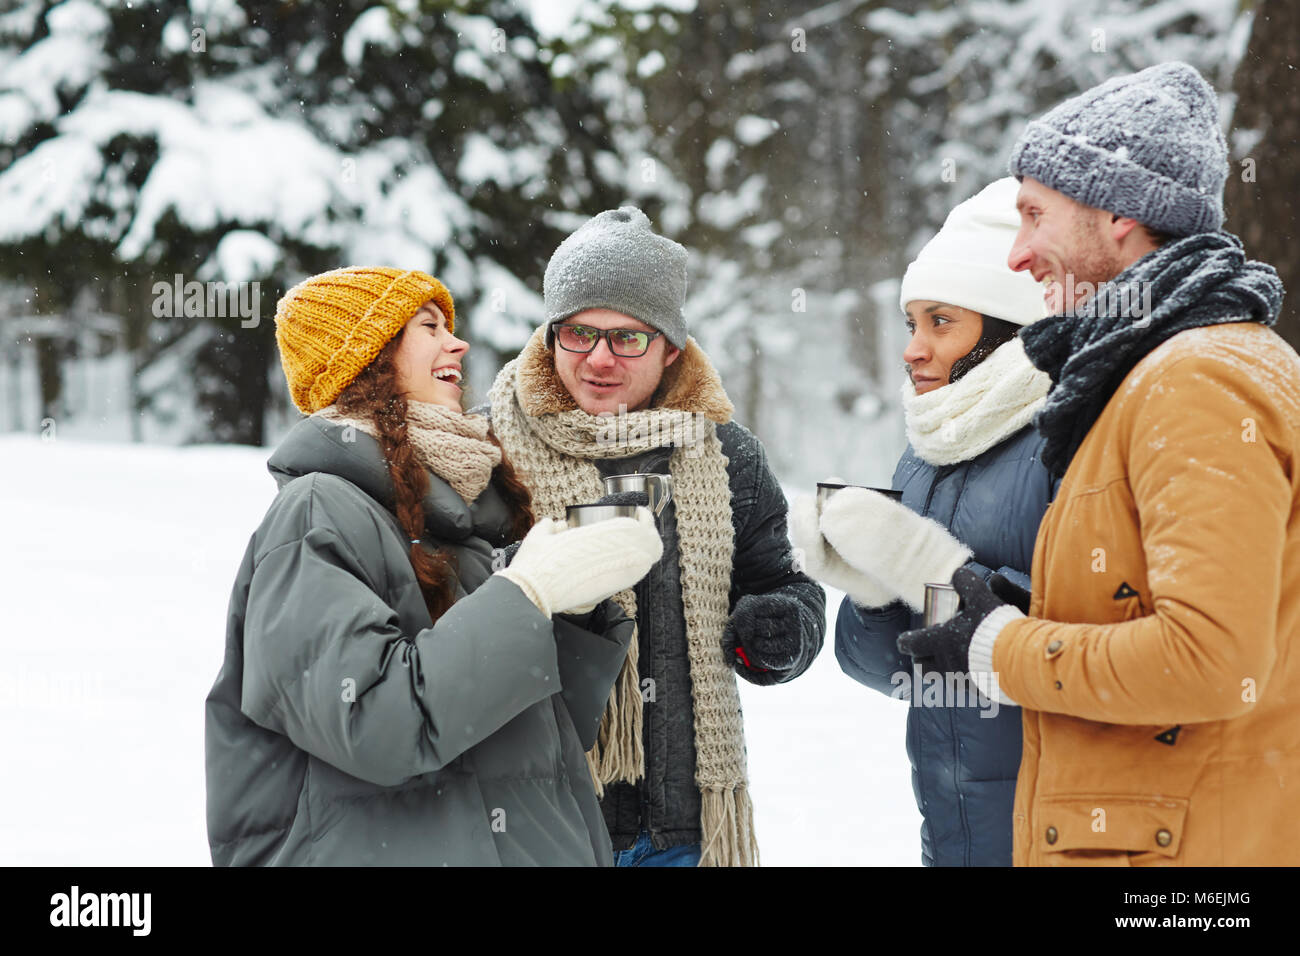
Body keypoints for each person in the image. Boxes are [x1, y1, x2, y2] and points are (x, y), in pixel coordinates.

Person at [897, 61, 1300, 865]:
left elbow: (1210, 660)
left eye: (1034, 216)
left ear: (1119, 213)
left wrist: (996, 646)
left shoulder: (1198, 379)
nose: (1018, 255)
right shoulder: (1154, 374)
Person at [205, 266, 664, 866]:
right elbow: (374, 722)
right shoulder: (316, 513)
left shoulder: (464, 520)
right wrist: (525, 595)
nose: (459, 343)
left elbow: (529, 743)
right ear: (366, 357)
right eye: (429, 327)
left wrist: (573, 606)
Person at [485, 207, 826, 867]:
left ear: (671, 348)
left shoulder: (726, 455)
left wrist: (782, 631)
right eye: (579, 334)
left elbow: (781, 581)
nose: (599, 359)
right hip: (534, 823)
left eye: (628, 339)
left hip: (684, 832)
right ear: (551, 335)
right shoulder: (487, 449)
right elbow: (444, 613)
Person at [790, 178, 1056, 866]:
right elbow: (892, 674)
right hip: (952, 835)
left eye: (941, 322)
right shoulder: (928, 449)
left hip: (1062, 832)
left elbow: (1096, 647)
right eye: (912, 323)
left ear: (1006, 328)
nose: (912, 348)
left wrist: (942, 580)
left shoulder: (1072, 440)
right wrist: (873, 589)